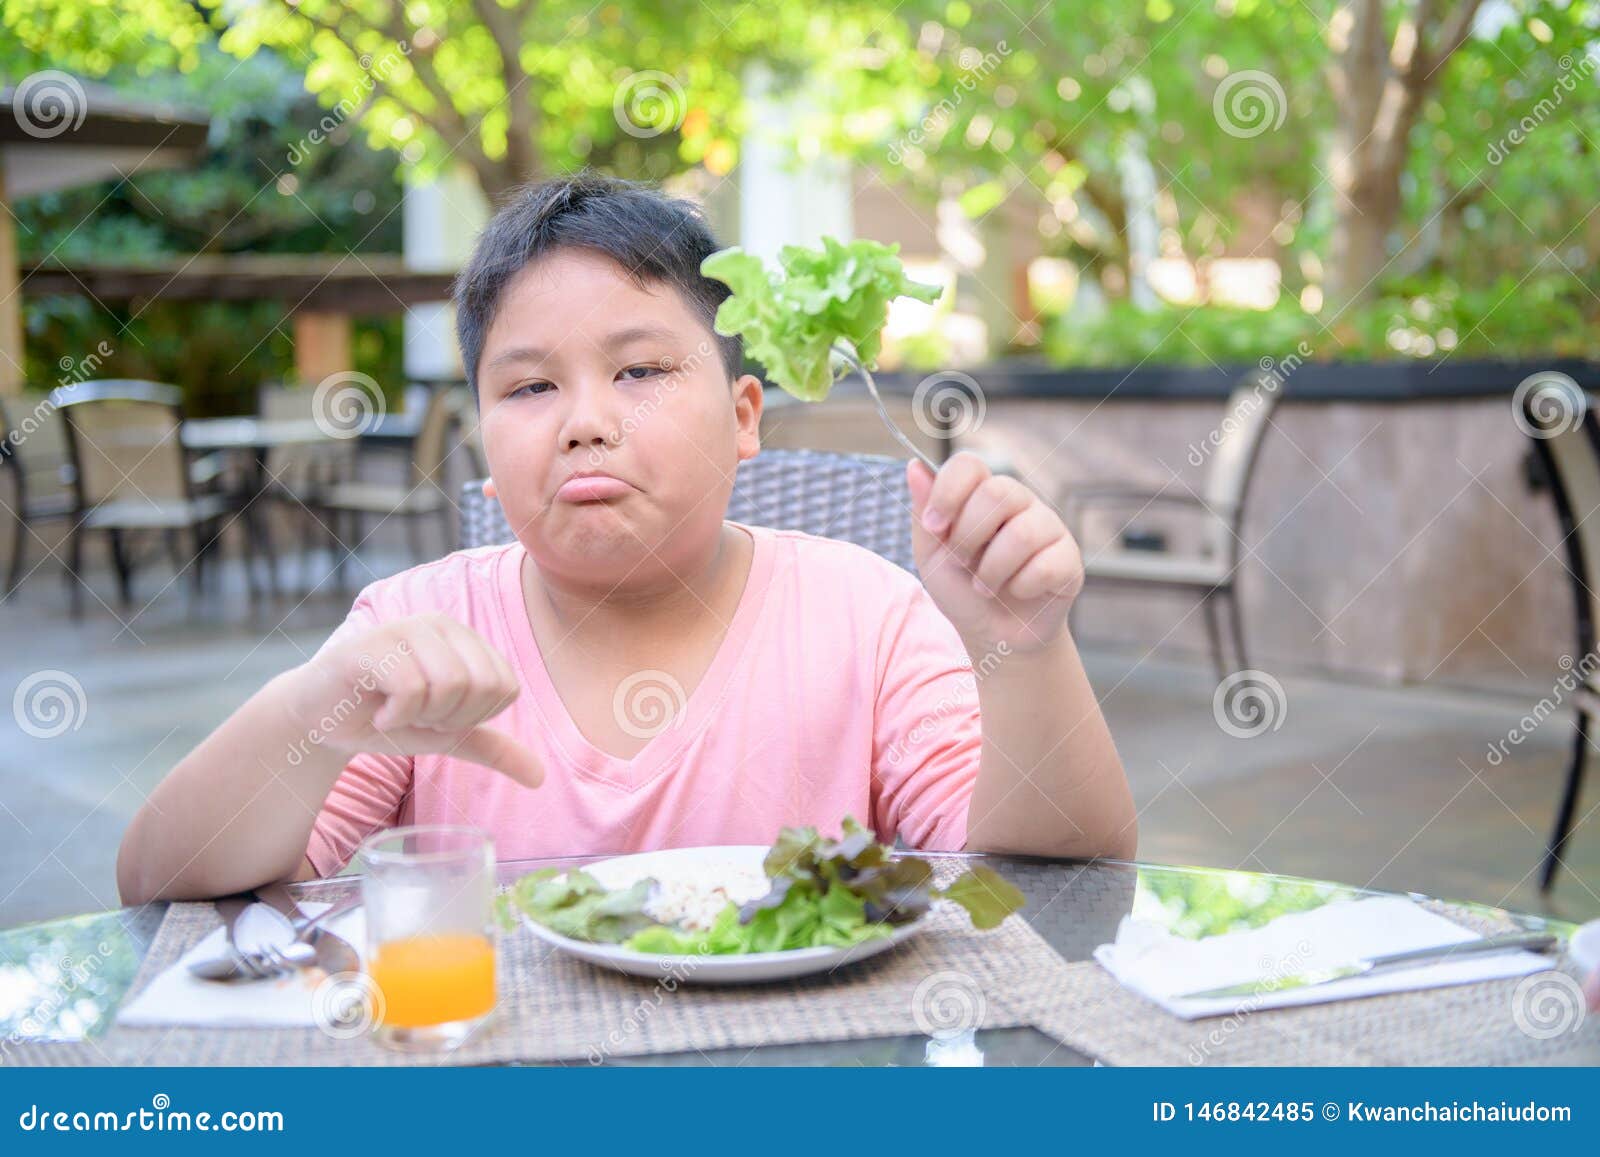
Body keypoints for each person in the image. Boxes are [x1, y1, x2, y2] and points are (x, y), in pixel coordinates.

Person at [116, 173, 1136, 904]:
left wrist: (1026, 650)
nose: (583, 418)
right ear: (481, 434)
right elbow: (164, 879)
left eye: (640, 370)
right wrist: (316, 703)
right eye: (528, 385)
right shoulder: (419, 628)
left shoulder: (867, 614)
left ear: (745, 415)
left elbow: (1051, 872)